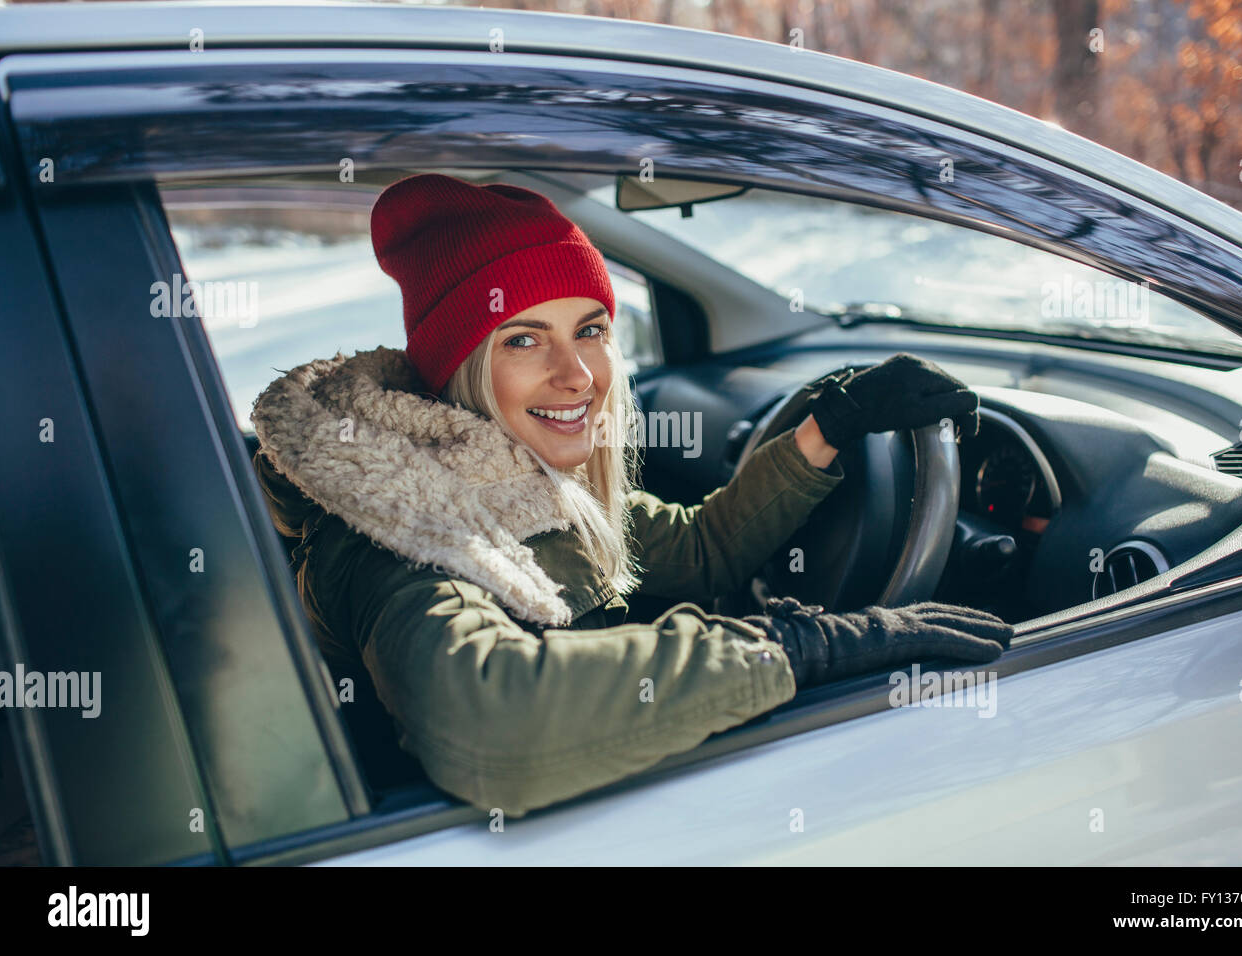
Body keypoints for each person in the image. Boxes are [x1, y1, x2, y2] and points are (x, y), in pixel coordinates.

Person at [250, 173, 1013, 818]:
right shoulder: (402, 527)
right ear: (460, 368)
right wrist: (797, 650)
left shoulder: (517, 480)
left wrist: (831, 427)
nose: (577, 375)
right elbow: (491, 724)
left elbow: (698, 551)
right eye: (522, 339)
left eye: (588, 329)